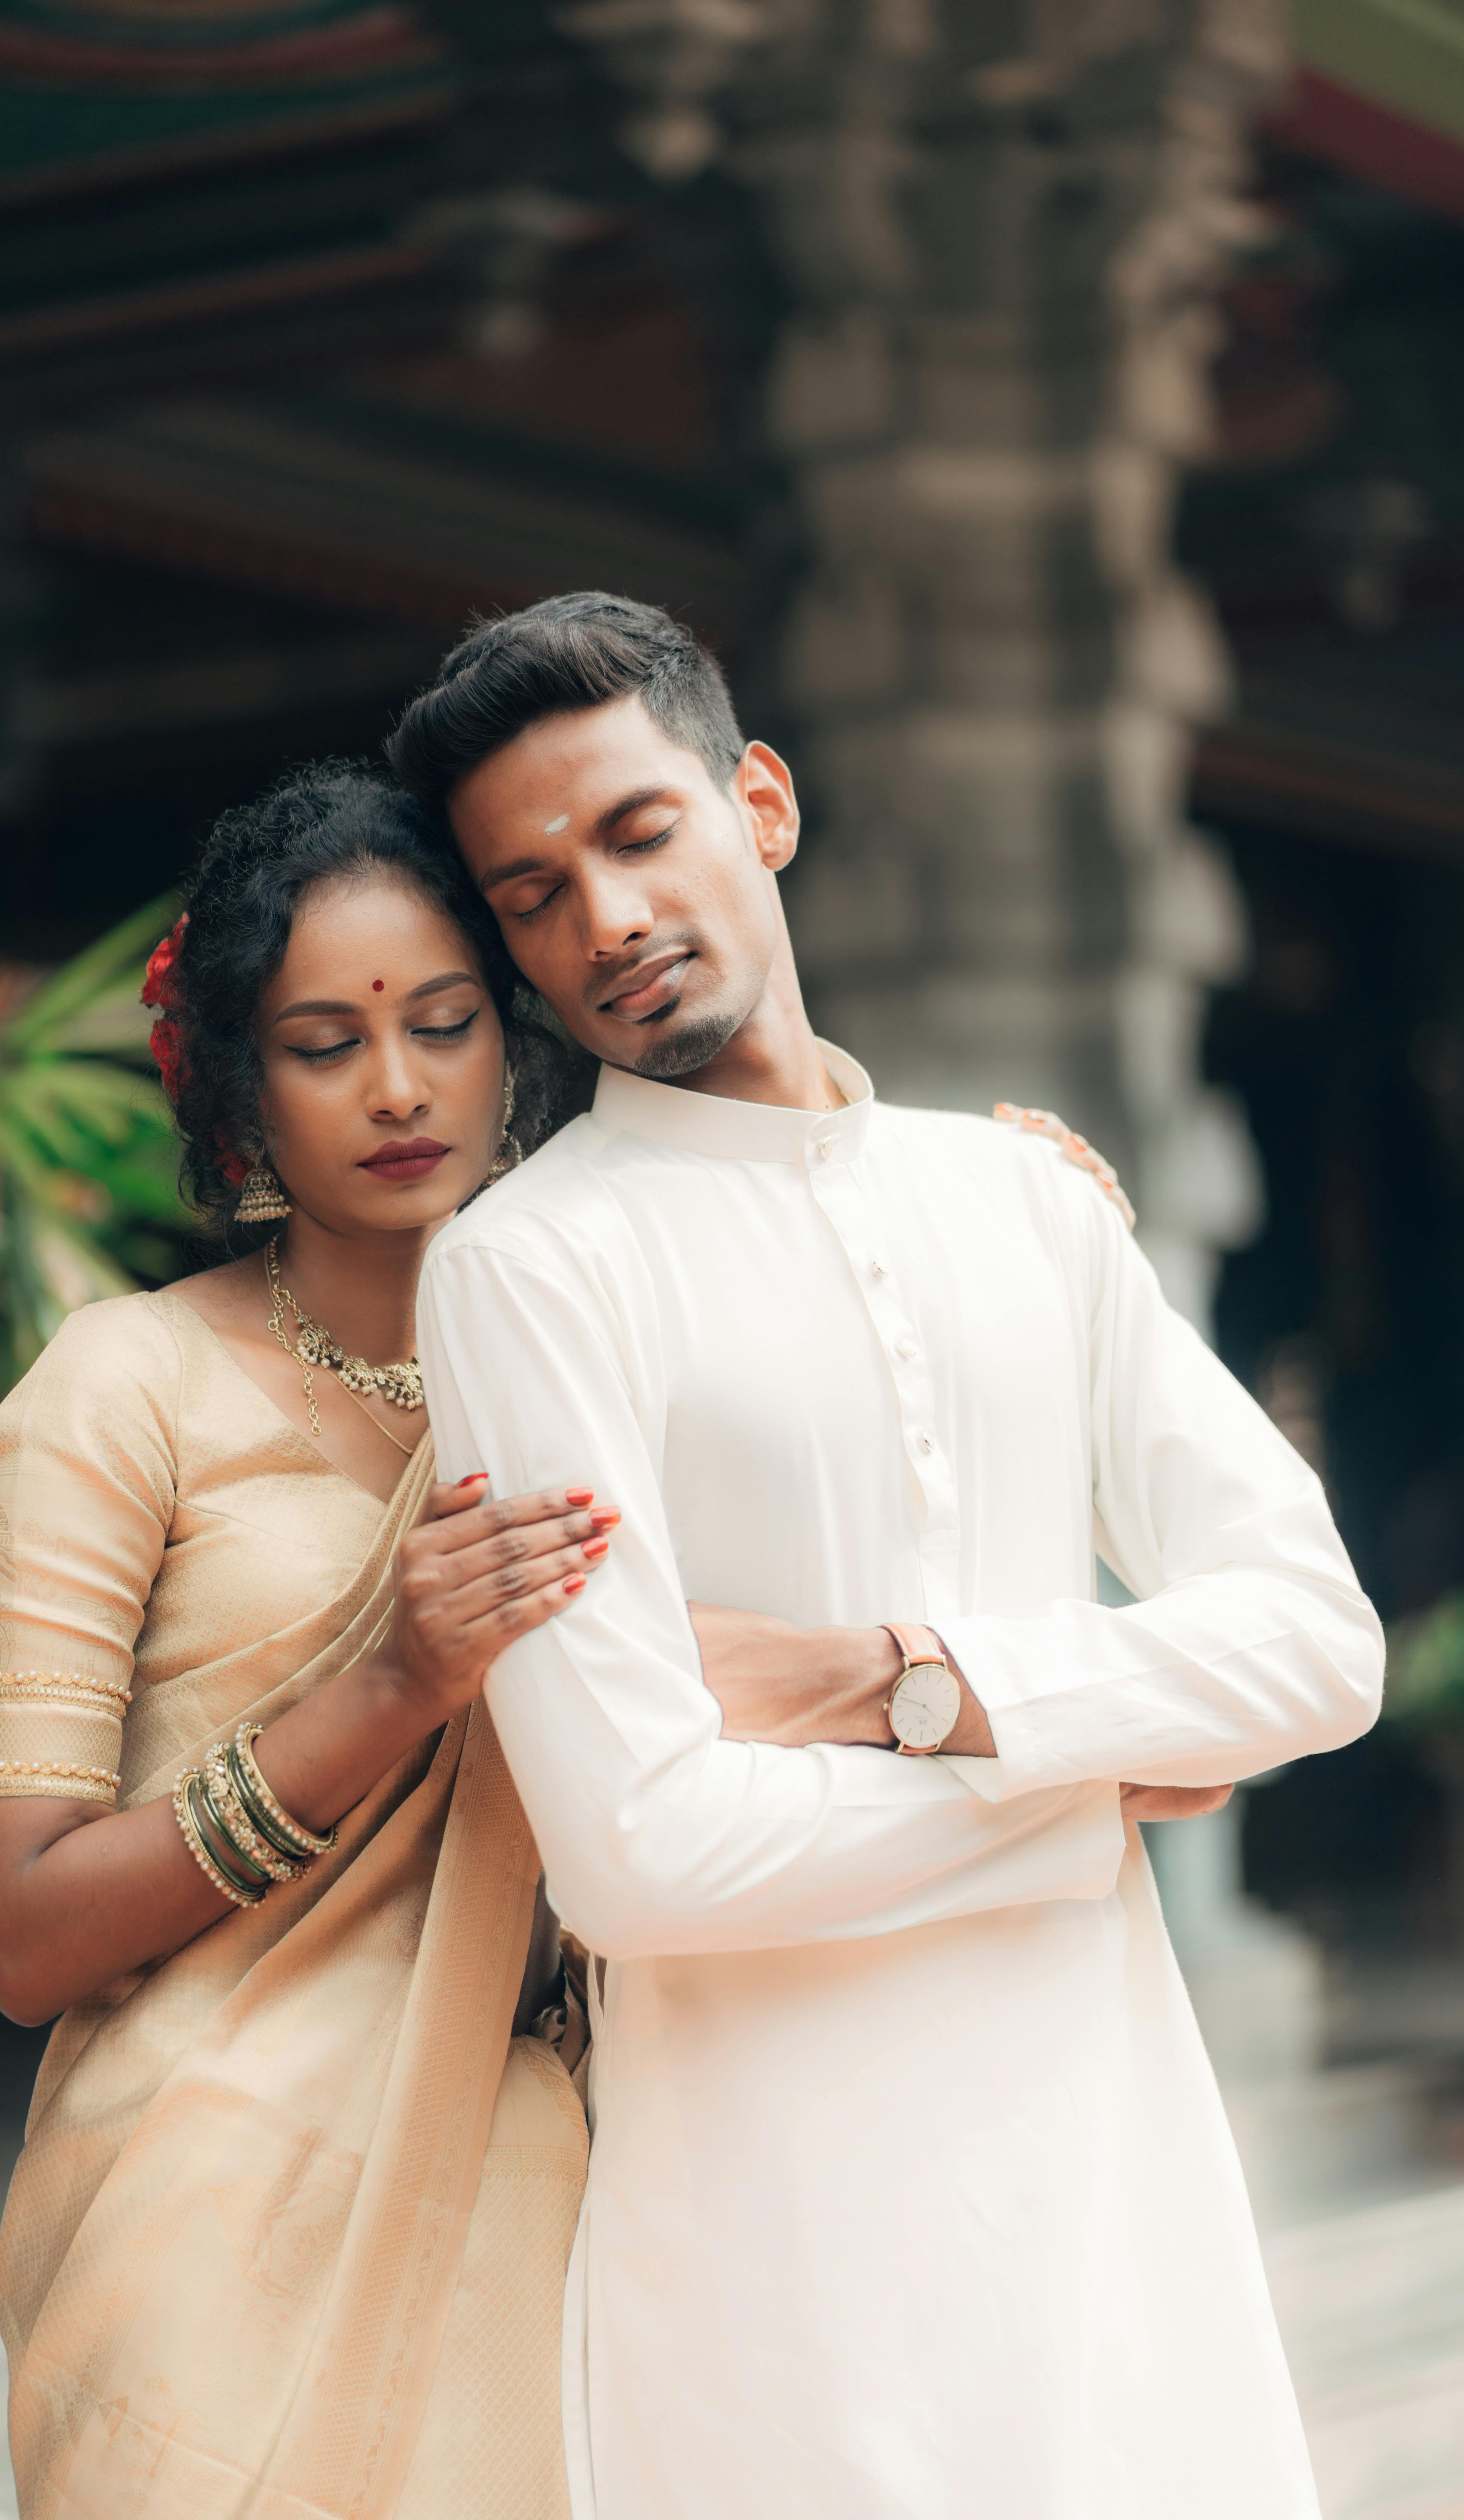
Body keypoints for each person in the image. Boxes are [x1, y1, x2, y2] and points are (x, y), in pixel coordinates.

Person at [386, 593, 1386, 2520]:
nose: (598, 922)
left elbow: (1319, 1647)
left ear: (757, 802)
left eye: (634, 833)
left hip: (1121, 2199)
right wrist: (1095, 1786)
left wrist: (900, 1683)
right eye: (528, 893)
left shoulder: (1024, 1198)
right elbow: (646, 1859)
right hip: (787, 2271)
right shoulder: (533, 1268)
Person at [0, 767, 620, 2520]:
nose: (398, 1089)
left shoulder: (603, 1379)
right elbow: (23, 1934)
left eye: (445, 1024)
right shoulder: (126, 1388)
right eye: (326, 1043)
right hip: (196, 2230)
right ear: (244, 1090)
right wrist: (389, 1689)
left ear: (515, 1040)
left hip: (529, 2200)